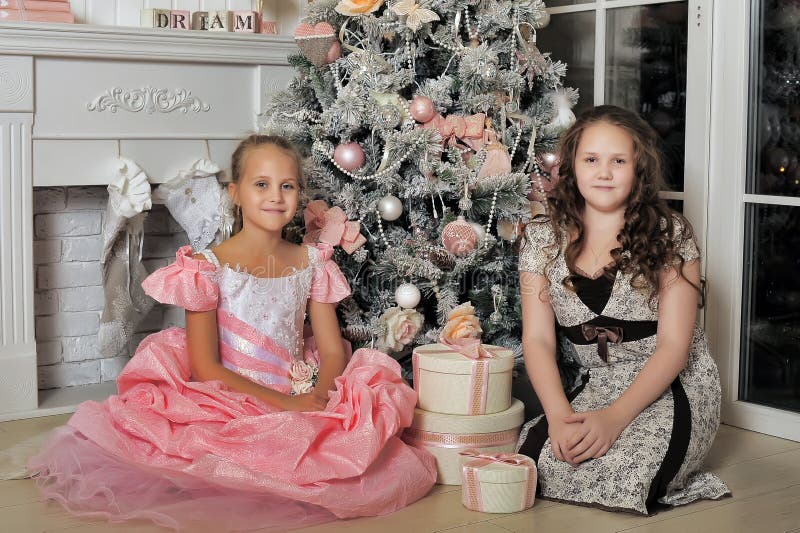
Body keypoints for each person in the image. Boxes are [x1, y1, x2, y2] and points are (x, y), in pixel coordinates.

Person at [27, 134, 437, 531]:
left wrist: (319, 397)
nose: (276, 196)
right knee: (226, 451)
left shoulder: (313, 263)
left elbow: (332, 351)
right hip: (229, 393)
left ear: (299, 194)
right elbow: (205, 367)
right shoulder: (206, 267)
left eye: (287, 185)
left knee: (347, 440)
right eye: (261, 184)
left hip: (300, 385)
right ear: (235, 193)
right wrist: (285, 405)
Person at [517, 105, 730, 514]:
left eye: (619, 161)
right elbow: (538, 339)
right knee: (536, 460)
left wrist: (614, 419)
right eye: (591, 160)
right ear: (572, 166)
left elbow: (674, 347)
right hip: (599, 383)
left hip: (671, 385)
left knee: (627, 471)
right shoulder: (542, 239)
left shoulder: (671, 235)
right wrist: (559, 416)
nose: (604, 172)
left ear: (639, 169)